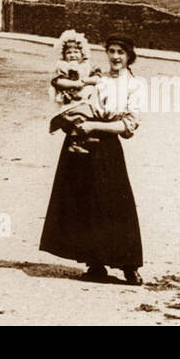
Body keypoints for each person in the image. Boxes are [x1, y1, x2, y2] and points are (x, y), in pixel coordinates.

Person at [39, 33, 146, 285]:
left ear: (129, 56)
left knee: (115, 205)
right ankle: (95, 263)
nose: (116, 56)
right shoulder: (97, 79)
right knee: (85, 203)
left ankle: (128, 265)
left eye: (121, 52)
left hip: (107, 145)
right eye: (112, 51)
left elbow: (129, 125)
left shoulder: (135, 84)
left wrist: (94, 126)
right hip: (81, 140)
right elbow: (68, 98)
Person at [48, 29, 104, 152]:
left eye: (76, 52)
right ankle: (75, 142)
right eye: (69, 52)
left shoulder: (87, 66)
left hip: (85, 97)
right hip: (70, 98)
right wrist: (76, 83)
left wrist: (86, 81)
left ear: (83, 53)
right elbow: (57, 81)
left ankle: (84, 137)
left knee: (89, 114)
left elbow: (98, 78)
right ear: (63, 55)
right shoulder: (63, 67)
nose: (72, 55)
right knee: (76, 116)